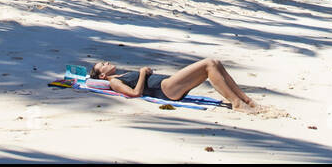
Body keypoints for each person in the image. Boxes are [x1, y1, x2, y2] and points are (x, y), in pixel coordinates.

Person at [87, 58, 255, 109]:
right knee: (209, 64)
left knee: (215, 63)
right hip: (164, 89)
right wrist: (142, 73)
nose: (107, 62)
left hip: (166, 85)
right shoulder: (115, 82)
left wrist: (143, 73)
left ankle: (245, 100)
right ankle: (236, 103)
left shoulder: (120, 75)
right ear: (102, 76)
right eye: (103, 65)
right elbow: (135, 94)